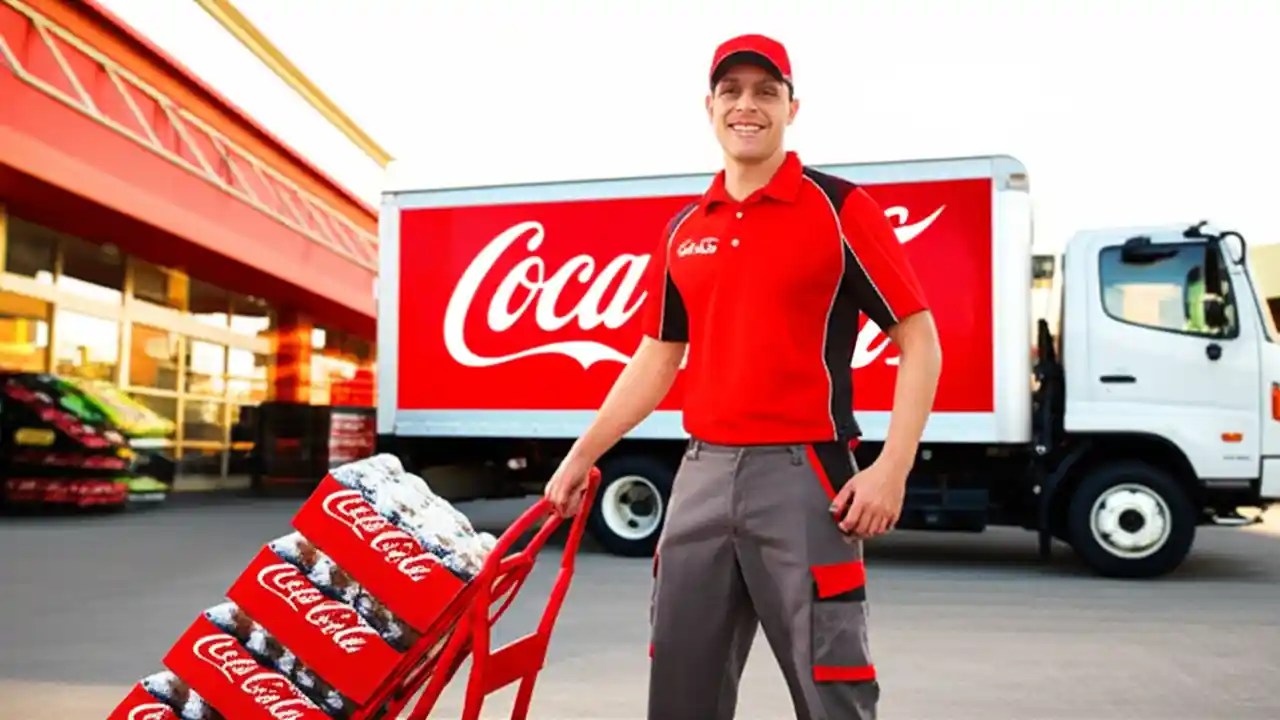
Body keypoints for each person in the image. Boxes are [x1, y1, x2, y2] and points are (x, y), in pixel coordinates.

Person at [544, 32, 942, 720]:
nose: (747, 105)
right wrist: (584, 453)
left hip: (806, 479)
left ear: (793, 107)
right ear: (709, 106)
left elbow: (920, 340)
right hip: (699, 476)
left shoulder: (840, 208)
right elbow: (657, 357)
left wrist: (890, 468)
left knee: (832, 687)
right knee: (679, 687)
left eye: (766, 91)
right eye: (731, 91)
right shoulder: (683, 229)